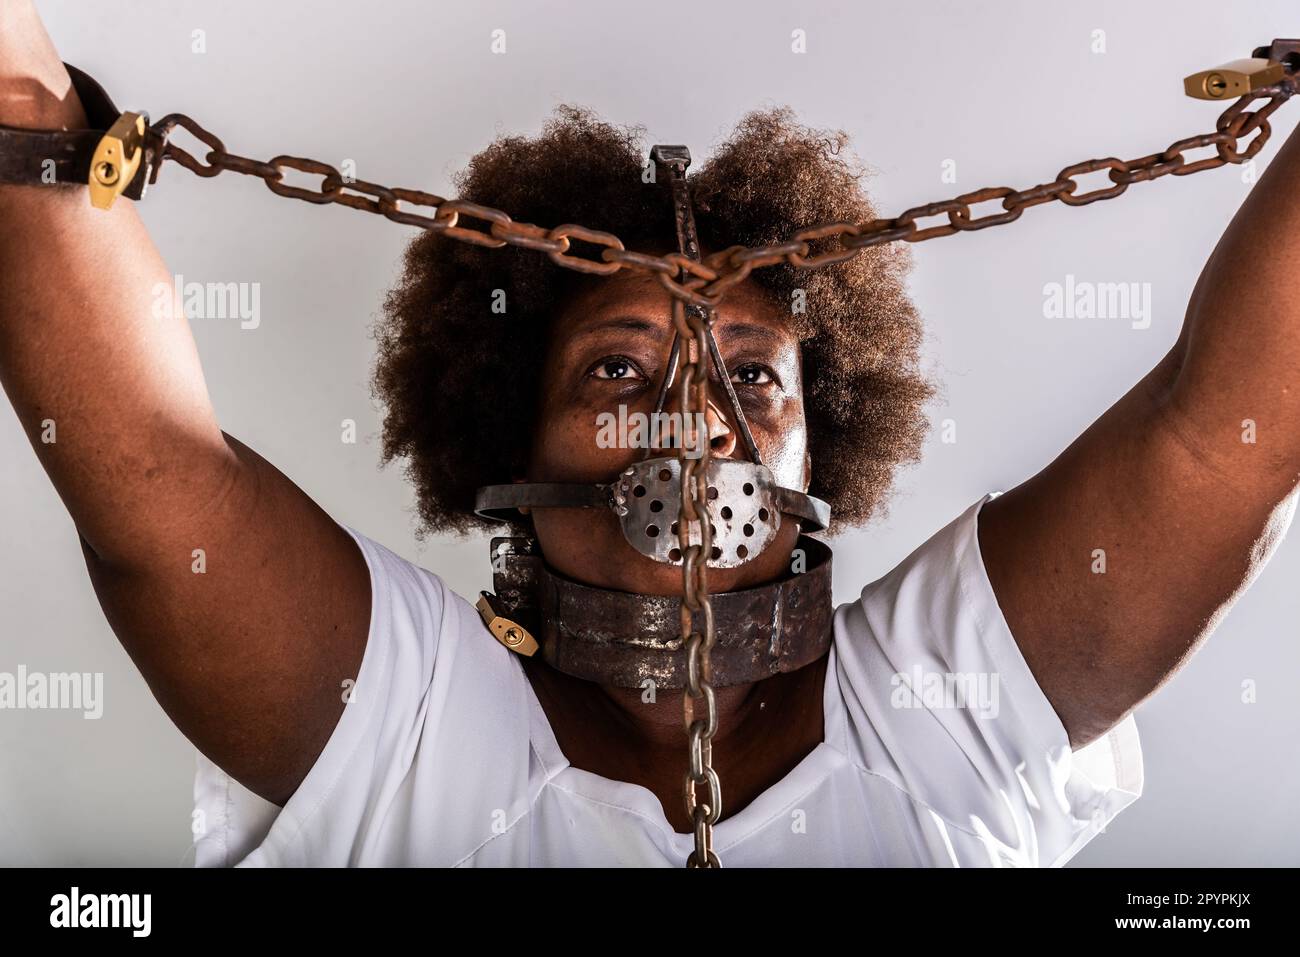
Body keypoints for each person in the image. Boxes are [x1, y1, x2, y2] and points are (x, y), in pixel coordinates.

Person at [2, 0, 1294, 866]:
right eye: (620, 364)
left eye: (754, 376)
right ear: (518, 448)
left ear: (816, 461)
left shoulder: (937, 707)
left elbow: (1220, 438)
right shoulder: (414, 723)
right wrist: (23, 103)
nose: (695, 414)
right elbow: (158, 476)